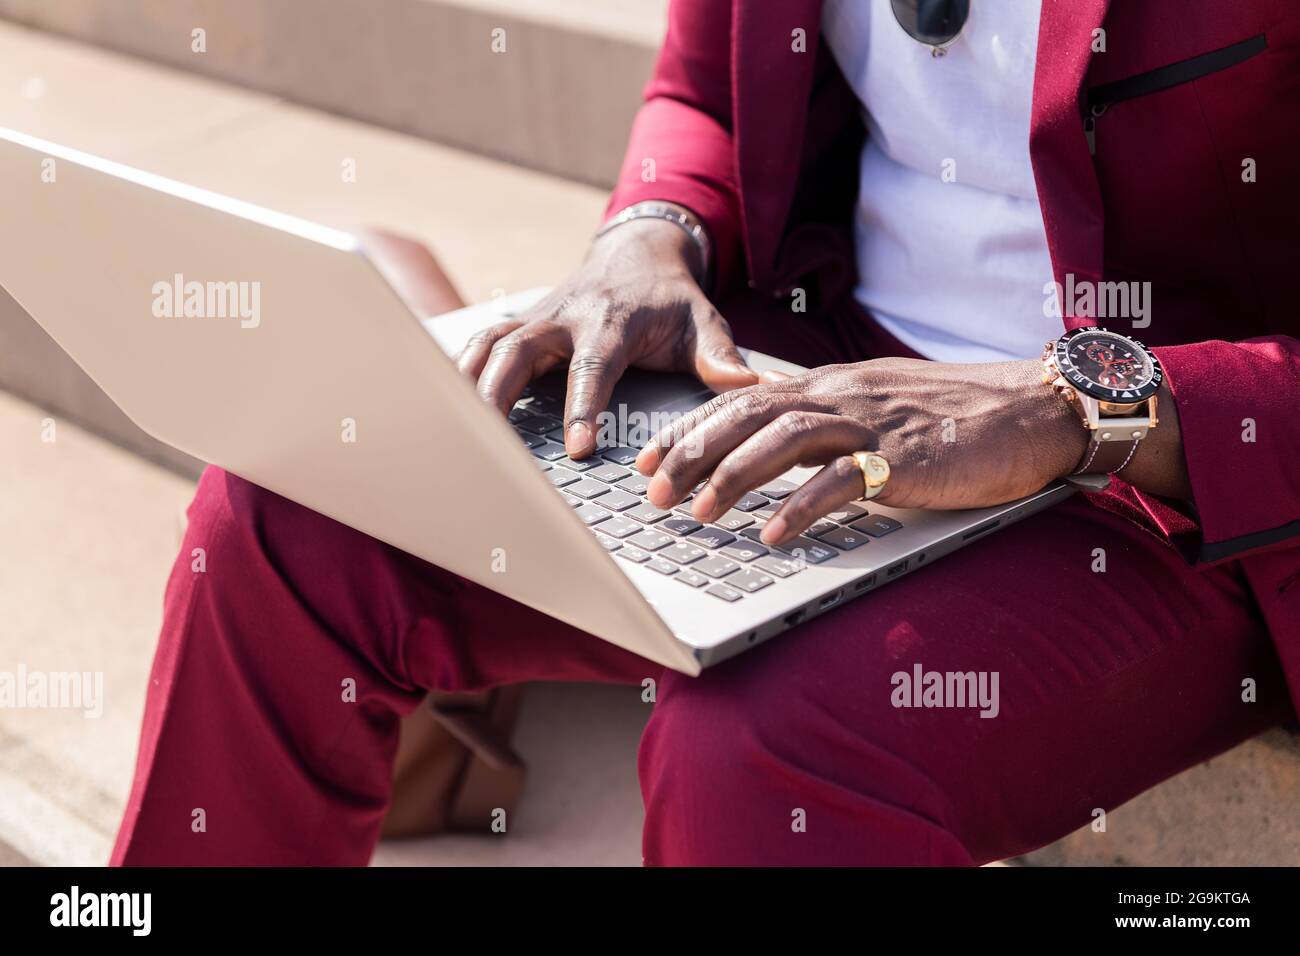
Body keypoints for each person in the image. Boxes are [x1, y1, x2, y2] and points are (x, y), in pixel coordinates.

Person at [112, 0, 1299, 865]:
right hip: (800, 364)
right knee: (293, 507)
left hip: (1164, 481)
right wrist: (650, 229)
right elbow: (700, 88)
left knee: (760, 751)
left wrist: (1070, 402)